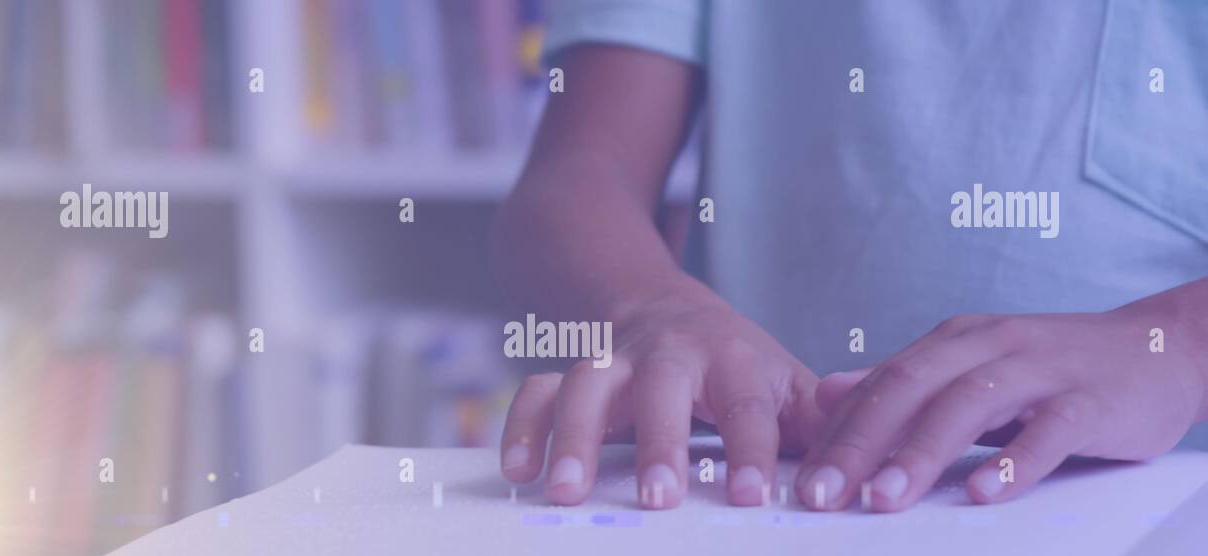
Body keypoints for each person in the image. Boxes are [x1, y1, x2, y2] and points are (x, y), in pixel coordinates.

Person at [491, 0, 1208, 512]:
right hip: (750, 500)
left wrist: (1185, 341)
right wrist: (647, 308)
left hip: (1150, 515)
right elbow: (572, 179)